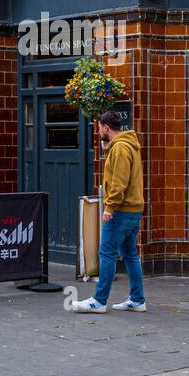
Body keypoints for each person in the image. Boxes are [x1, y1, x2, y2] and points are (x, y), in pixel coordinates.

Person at [72, 111, 145, 313]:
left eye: (99, 128)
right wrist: (108, 148)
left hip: (121, 209)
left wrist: (110, 207)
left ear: (105, 127)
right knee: (130, 254)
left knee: (107, 252)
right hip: (134, 208)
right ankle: (138, 299)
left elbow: (119, 181)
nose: (98, 132)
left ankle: (99, 300)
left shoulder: (120, 148)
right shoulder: (126, 144)